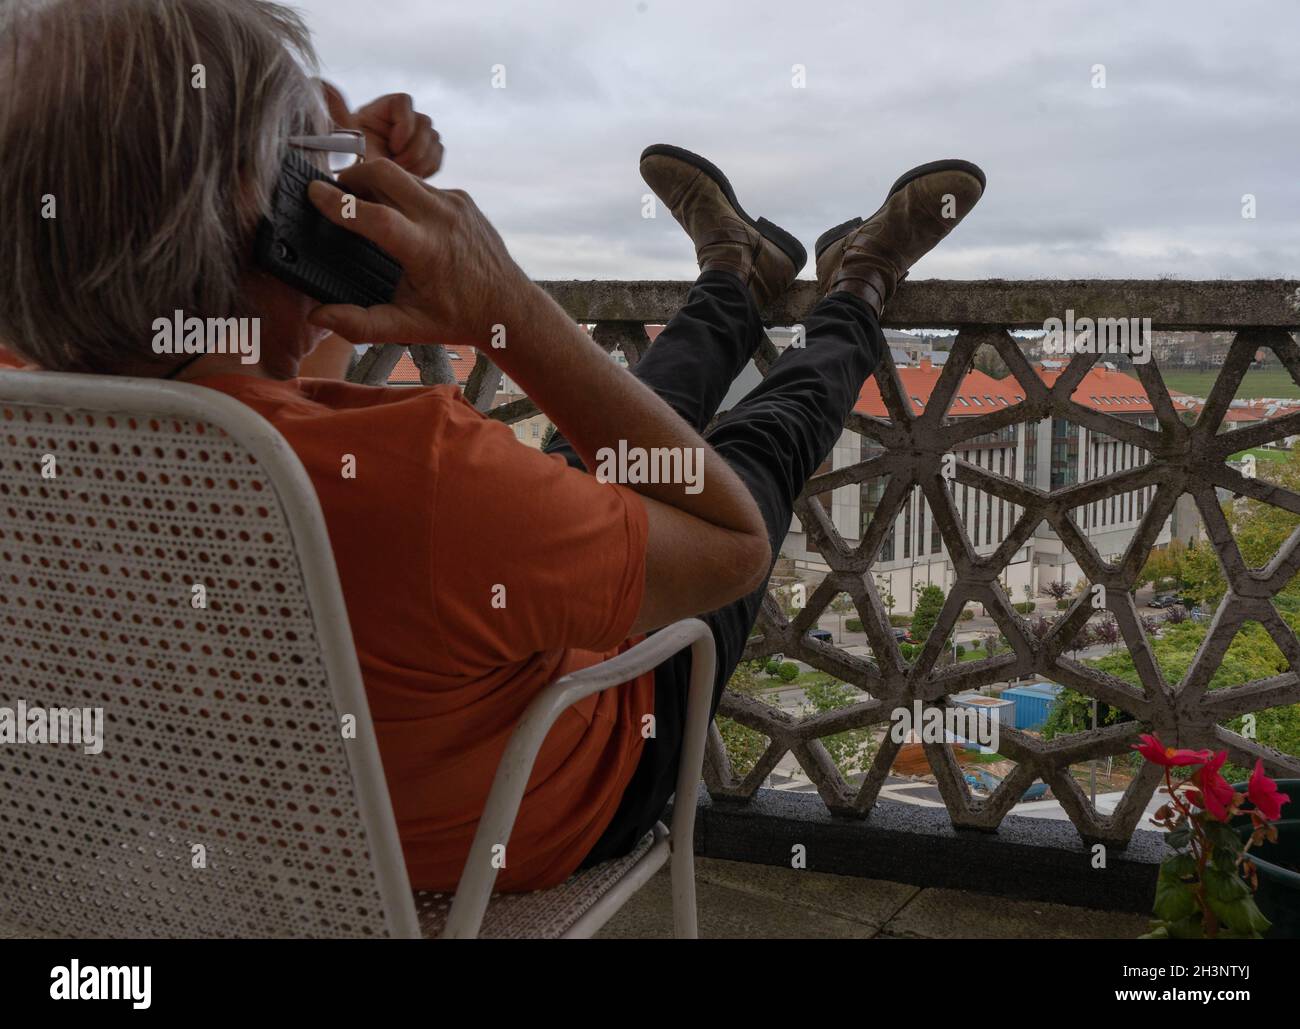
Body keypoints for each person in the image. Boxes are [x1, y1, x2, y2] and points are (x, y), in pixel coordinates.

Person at [0, 0, 983, 892]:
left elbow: (258, 397)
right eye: (309, 158)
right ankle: (859, 282)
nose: (326, 178)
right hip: (546, 814)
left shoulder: (45, 427)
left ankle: (731, 269)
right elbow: (729, 544)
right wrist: (508, 309)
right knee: (761, 443)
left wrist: (304, 225)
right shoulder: (420, 480)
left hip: (282, 836)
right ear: (263, 209)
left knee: (638, 418)